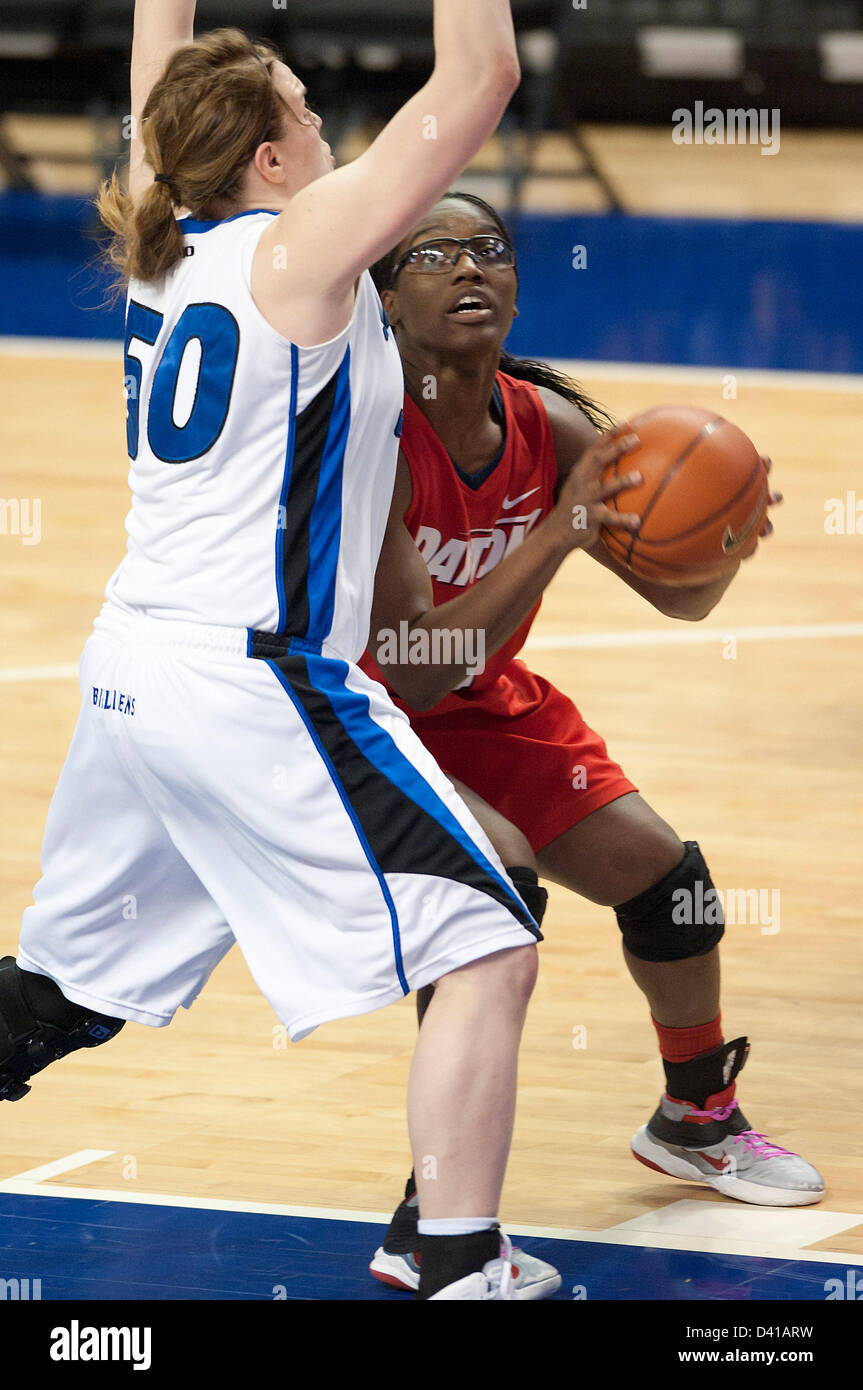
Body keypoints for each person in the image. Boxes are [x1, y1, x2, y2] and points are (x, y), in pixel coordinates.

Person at [0, 3, 594, 1302]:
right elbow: (480, 72)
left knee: (57, 997)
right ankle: (447, 1249)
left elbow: (161, 72)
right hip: (246, 676)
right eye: (306, 111)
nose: (325, 124)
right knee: (489, 934)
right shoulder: (299, 249)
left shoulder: (167, 220)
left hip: (131, 668)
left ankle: (431, 1217)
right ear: (267, 159)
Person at [358, 191, 825, 1297]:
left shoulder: (546, 426)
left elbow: (683, 606)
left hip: (483, 702)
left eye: (489, 250)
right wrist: (560, 529)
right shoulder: (371, 434)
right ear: (384, 296)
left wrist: (717, 537)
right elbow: (412, 660)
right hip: (360, 710)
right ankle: (431, 1211)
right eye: (434, 254)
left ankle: (694, 1114)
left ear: (516, 283)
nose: (469, 267)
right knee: (496, 882)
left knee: (672, 883)